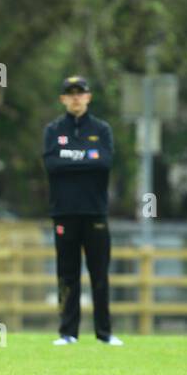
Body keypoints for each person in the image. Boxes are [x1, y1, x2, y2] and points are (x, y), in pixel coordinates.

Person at [43, 75, 123, 346]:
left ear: (88, 97)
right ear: (63, 98)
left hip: (95, 212)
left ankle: (105, 333)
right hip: (64, 212)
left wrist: (71, 157)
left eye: (80, 93)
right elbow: (53, 165)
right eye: (70, 93)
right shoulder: (53, 130)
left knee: (99, 273)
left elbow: (104, 163)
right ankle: (68, 333)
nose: (76, 97)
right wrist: (87, 156)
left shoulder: (101, 129)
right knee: (67, 274)